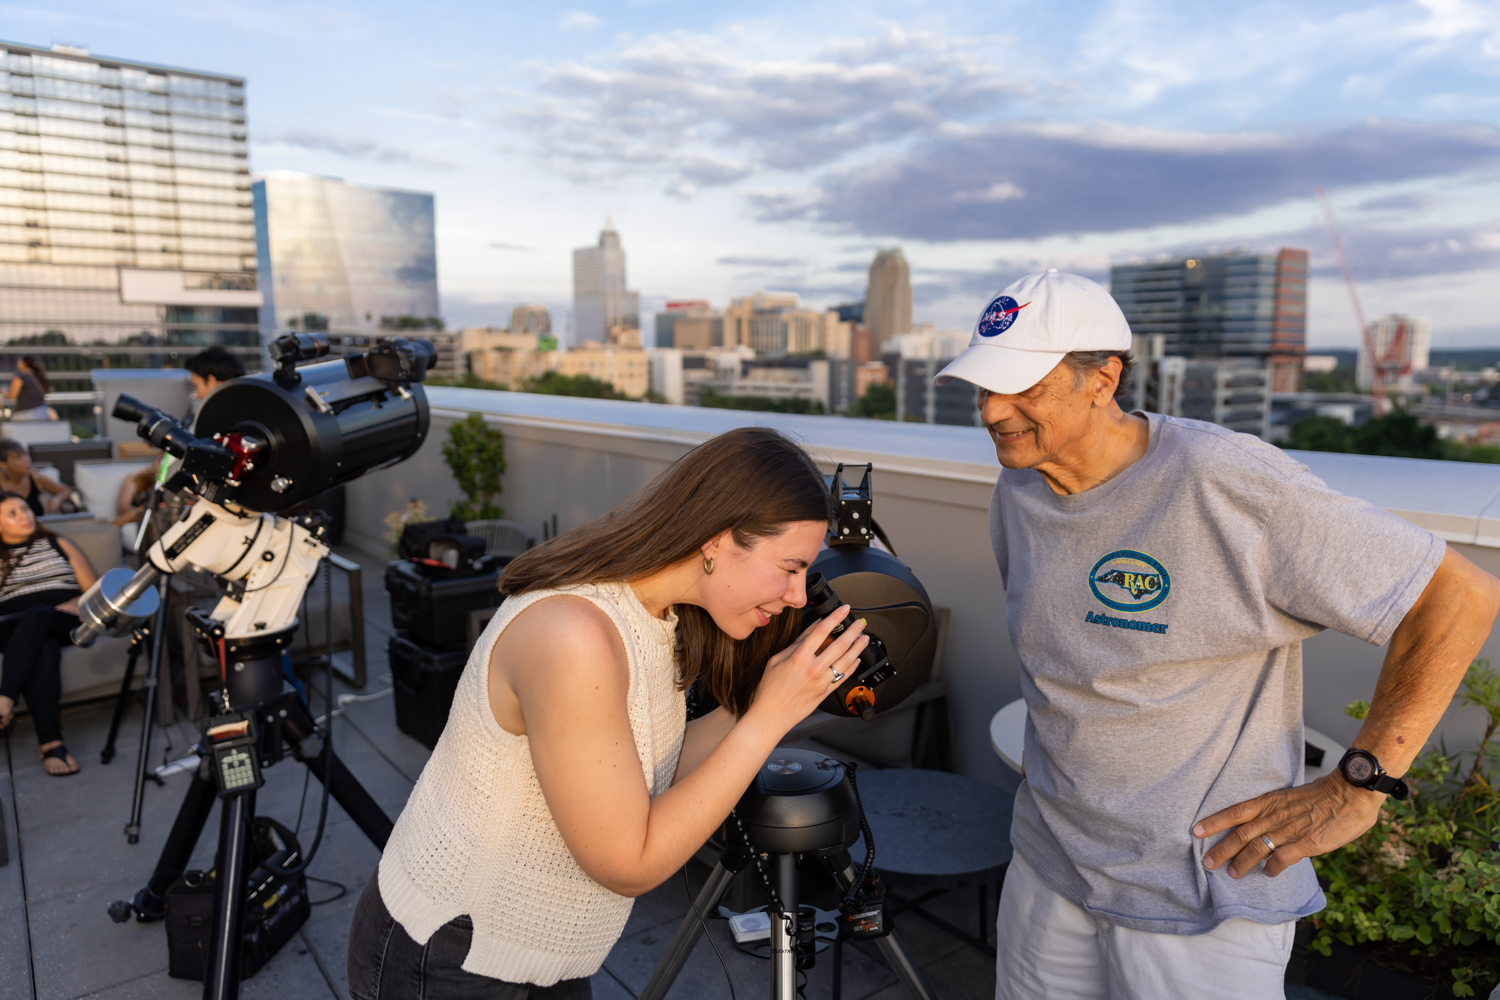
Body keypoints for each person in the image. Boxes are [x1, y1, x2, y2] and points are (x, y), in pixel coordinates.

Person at [931, 270, 1500, 1000]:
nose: (991, 411)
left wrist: (1361, 784)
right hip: (1050, 865)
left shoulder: (1223, 481)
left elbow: (1458, 598)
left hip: (1202, 887)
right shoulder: (1019, 489)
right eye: (982, 385)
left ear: (1103, 379)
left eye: (1022, 387)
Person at [348, 427, 867, 999]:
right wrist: (768, 719)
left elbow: (653, 766)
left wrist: (761, 704)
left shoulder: (655, 610)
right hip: (456, 951)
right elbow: (630, 861)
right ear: (717, 540)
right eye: (790, 567)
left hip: (551, 950)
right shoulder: (574, 635)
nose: (798, 595)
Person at [0, 491, 98, 775]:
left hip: (61, 619)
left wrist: (77, 602)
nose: (24, 516)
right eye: (12, 514)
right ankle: (51, 744)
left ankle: (4, 699)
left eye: (25, 509)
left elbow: (91, 591)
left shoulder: (57, 543)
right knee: (43, 647)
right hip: (10, 626)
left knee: (41, 613)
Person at [0, 439, 69, 517]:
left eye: (25, 454)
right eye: (18, 457)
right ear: (2, 464)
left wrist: (57, 499)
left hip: (39, 528)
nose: (27, 459)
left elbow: (64, 490)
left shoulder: (35, 478)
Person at [6, 356, 53, 421]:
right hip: (42, 413)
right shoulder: (38, 376)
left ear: (23, 363)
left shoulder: (21, 377)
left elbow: (11, 396)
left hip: (25, 414)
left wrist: (3, 393)